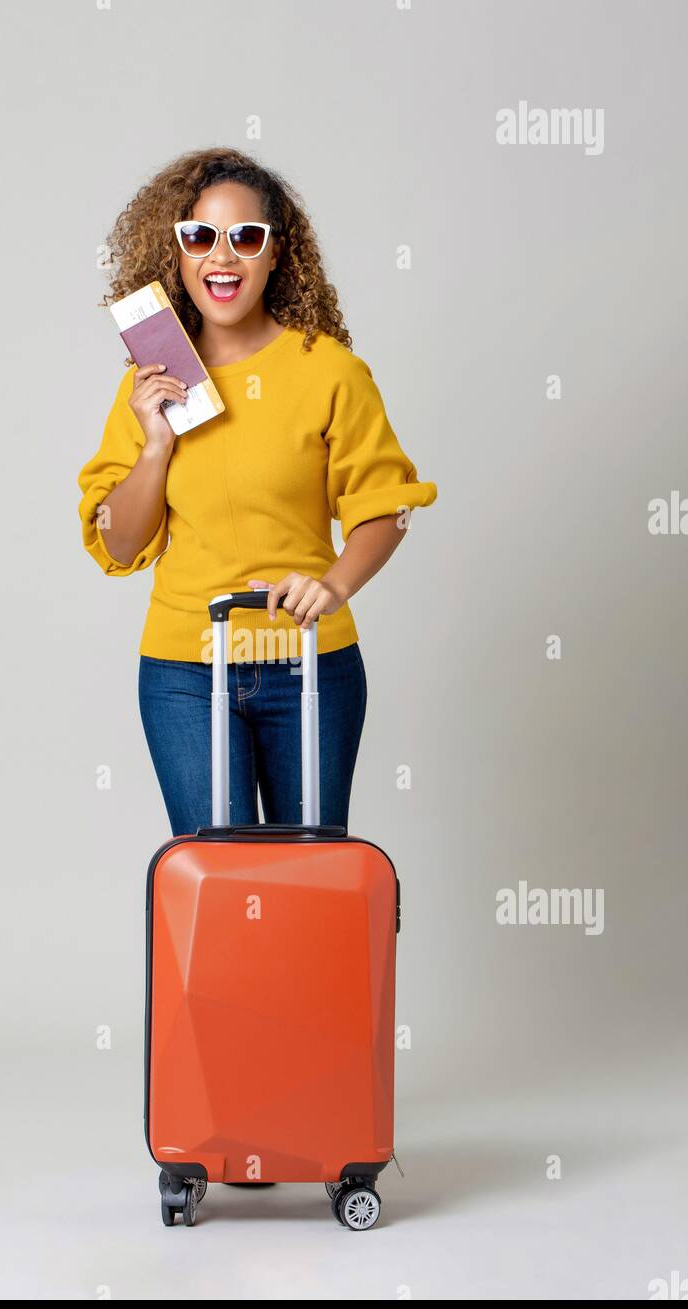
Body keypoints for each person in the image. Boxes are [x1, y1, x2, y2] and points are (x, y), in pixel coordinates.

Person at [78, 147, 437, 836]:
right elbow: (120, 544)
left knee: (310, 881)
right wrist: (154, 444)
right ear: (177, 253)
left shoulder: (328, 372)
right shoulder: (150, 383)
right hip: (186, 668)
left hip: (308, 661)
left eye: (246, 237)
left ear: (277, 254)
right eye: (199, 237)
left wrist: (330, 586)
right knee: (215, 876)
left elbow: (385, 505)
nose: (222, 256)